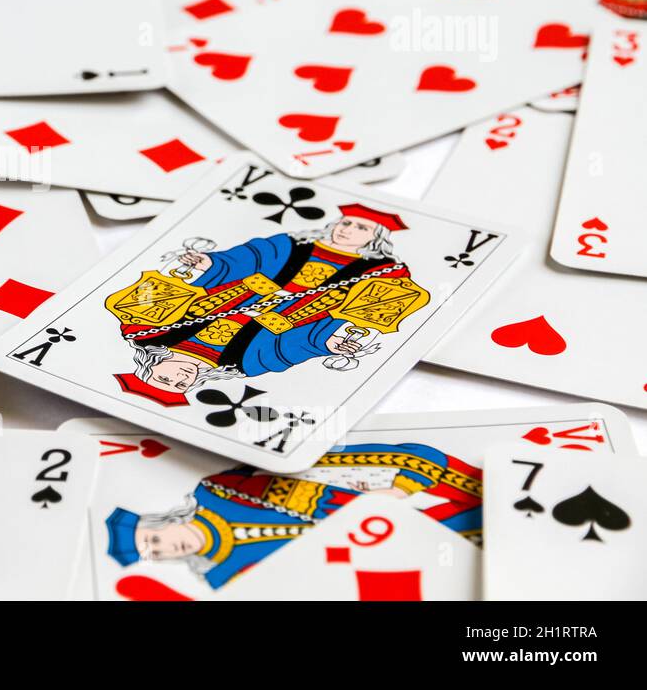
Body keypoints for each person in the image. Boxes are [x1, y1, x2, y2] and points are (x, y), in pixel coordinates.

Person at [108, 204, 428, 406]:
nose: (181, 378)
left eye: (360, 228)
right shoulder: (242, 363)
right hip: (294, 315)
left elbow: (243, 260)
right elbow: (286, 347)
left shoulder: (145, 331)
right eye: (182, 384)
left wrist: (206, 263)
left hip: (260, 297)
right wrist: (327, 340)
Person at [106, 442, 482, 591]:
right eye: (154, 555)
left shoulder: (219, 491)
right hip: (394, 570)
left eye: (153, 539)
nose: (165, 549)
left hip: (406, 504)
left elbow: (316, 473)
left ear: (161, 521)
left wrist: (393, 491)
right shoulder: (222, 576)